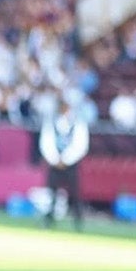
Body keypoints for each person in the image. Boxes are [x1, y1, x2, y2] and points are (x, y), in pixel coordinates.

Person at [40, 96, 89, 230]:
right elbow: (46, 143)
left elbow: (80, 145)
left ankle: (78, 221)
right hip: (54, 163)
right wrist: (55, 159)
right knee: (51, 192)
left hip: (71, 164)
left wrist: (66, 159)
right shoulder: (51, 123)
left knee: (75, 193)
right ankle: (48, 219)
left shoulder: (77, 123)